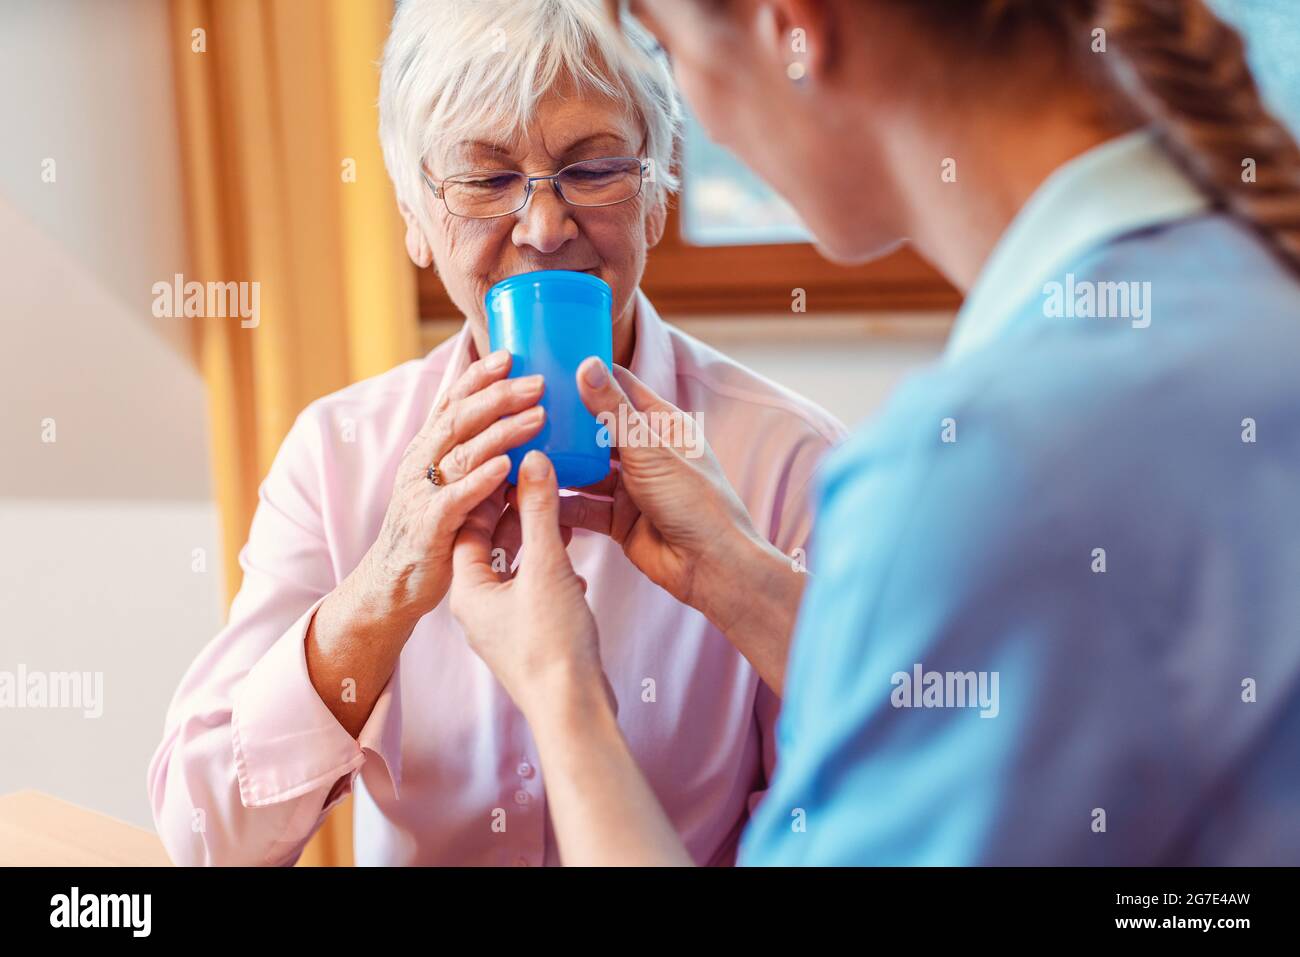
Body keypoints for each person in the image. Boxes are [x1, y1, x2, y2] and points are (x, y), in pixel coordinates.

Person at [449, 0, 1300, 864]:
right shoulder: (1240, 292)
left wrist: (563, 695)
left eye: (671, 51)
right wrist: (744, 582)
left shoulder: (984, 465)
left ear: (793, 27)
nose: (698, 120)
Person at [148, 0, 844, 866]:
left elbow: (864, 824)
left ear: (658, 196)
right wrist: (379, 593)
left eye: (593, 171)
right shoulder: (338, 456)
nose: (546, 228)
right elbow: (202, 836)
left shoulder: (789, 463)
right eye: (485, 180)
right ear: (413, 217)